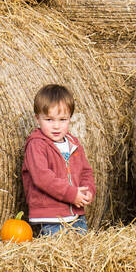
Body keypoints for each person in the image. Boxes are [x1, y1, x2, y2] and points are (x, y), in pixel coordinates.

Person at [22, 84, 95, 236]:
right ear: (38, 119)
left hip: (76, 215)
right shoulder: (36, 145)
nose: (56, 126)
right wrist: (71, 194)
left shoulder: (73, 144)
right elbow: (42, 177)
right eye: (49, 119)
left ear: (70, 119)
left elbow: (86, 171)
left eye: (62, 120)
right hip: (52, 217)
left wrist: (87, 190)